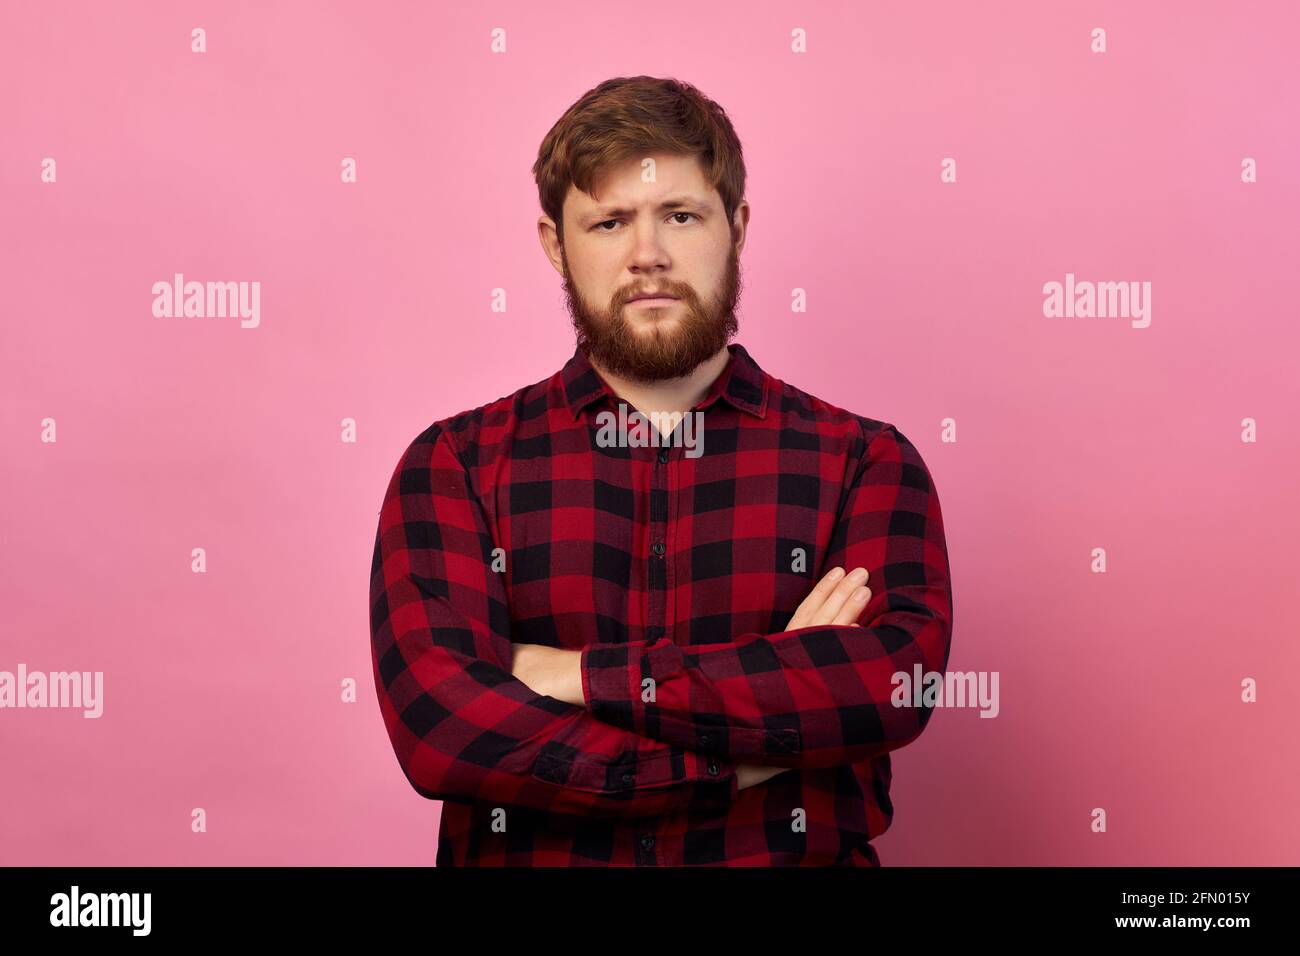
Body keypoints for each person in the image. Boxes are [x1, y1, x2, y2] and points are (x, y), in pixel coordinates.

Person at [369, 75, 953, 865]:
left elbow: (888, 685)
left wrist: (574, 676)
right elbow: (445, 735)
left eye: (680, 215)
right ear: (555, 244)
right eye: (610, 222)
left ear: (736, 226)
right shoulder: (453, 466)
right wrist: (753, 745)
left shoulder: (865, 462)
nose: (648, 255)